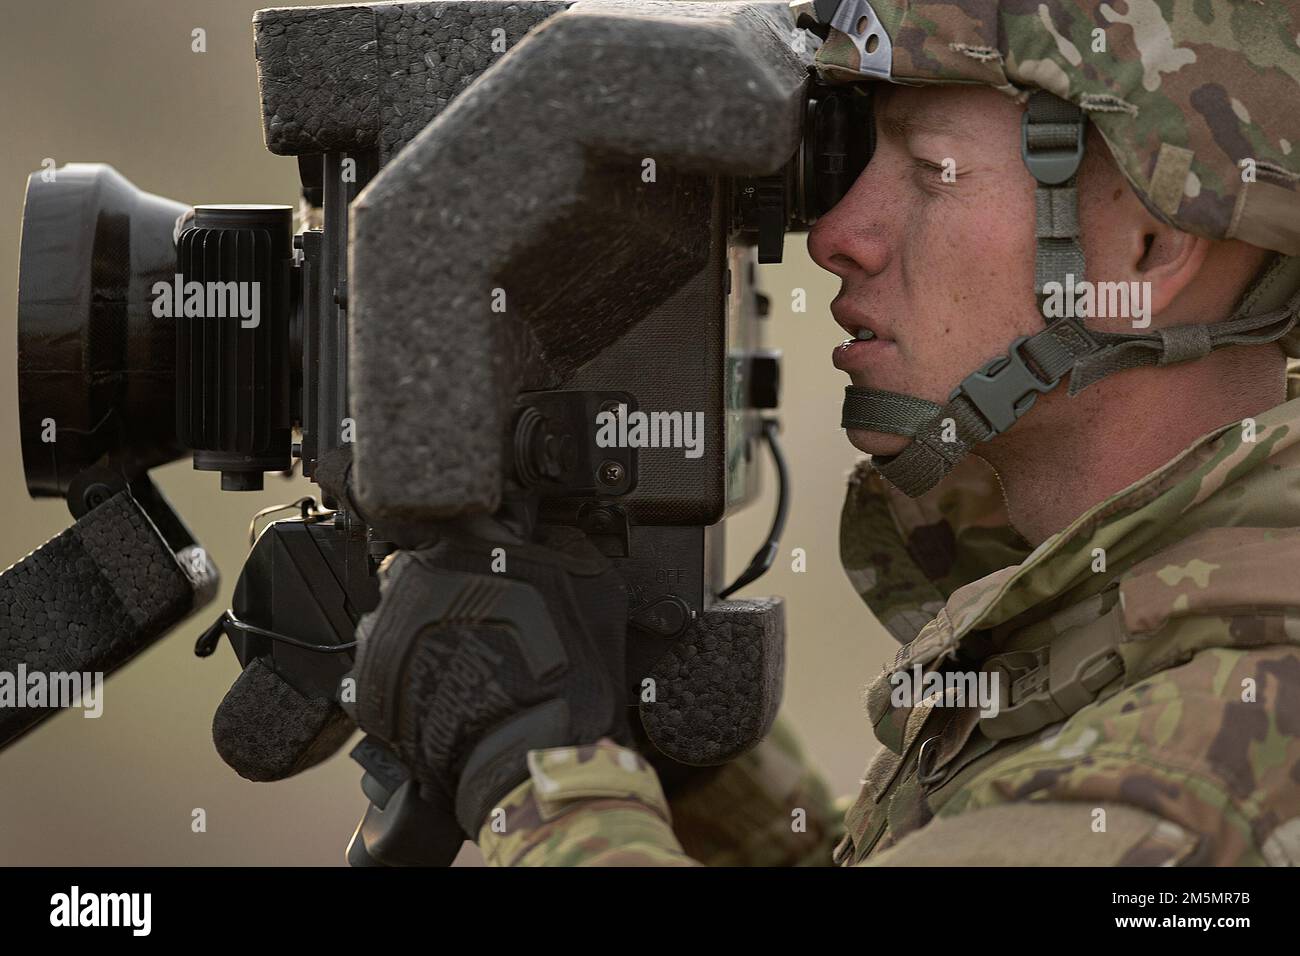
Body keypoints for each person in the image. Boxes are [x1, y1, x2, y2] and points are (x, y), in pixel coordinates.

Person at [350, 0, 1300, 865]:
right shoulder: (1151, 636)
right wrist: (668, 764)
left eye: (930, 169)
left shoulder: (1201, 773)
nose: (836, 233)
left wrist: (537, 779)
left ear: (1150, 244)